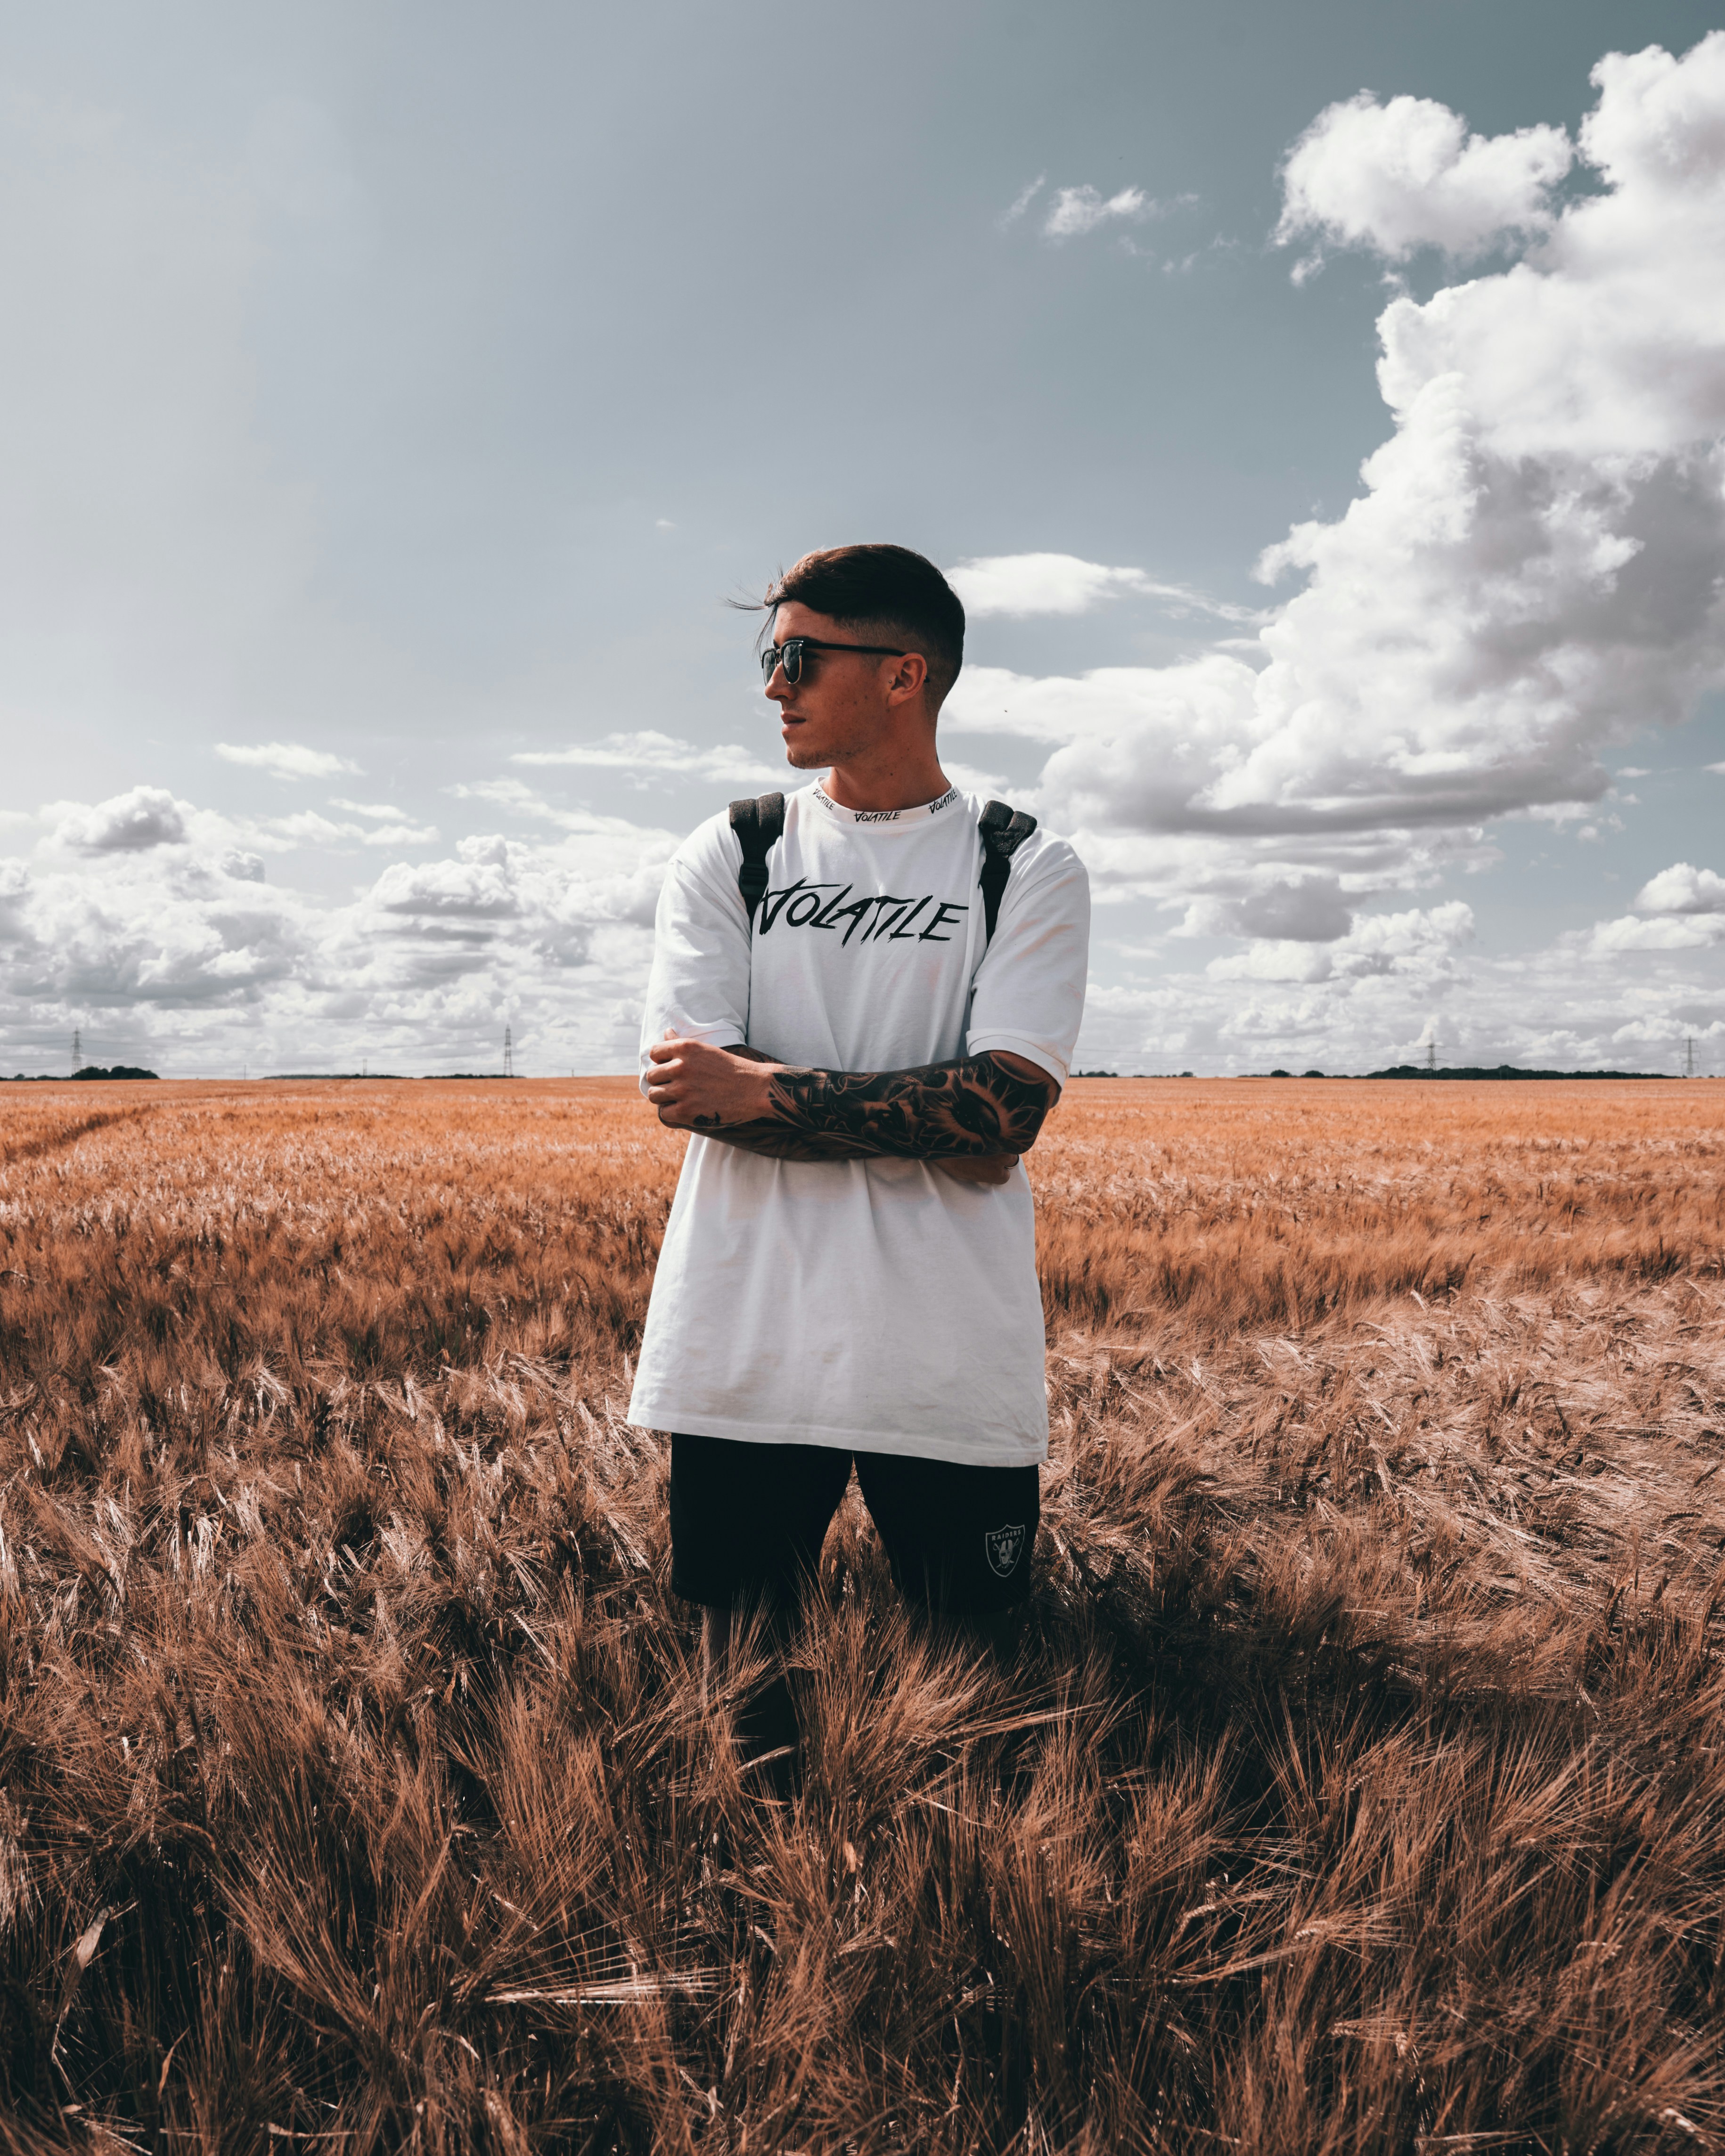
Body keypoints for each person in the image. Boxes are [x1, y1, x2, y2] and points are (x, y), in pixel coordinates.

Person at [627, 543, 1090, 1749]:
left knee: (981, 1710)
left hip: (946, 1356)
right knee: (740, 1710)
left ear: (903, 673)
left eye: (795, 656)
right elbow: (690, 1090)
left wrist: (767, 1090)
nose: (771, 685)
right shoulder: (735, 848)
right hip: (745, 1343)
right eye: (768, 658)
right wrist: (924, 1113)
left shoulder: (1020, 861)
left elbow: (1006, 1115)